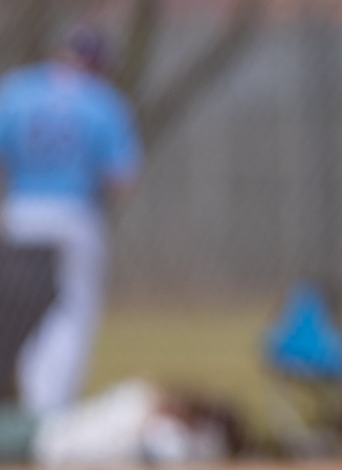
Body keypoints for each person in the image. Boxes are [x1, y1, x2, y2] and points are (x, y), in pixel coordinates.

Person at [0, 25, 142, 412]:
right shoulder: (103, 101)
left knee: (19, 312)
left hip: (21, 214)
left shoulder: (15, 92)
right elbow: (121, 178)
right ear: (97, 65)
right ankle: (49, 408)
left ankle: (22, 398)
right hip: (75, 217)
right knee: (71, 313)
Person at [0, 381, 242, 467]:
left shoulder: (160, 424)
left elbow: (170, 450)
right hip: (44, 428)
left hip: (42, 440)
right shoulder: (144, 401)